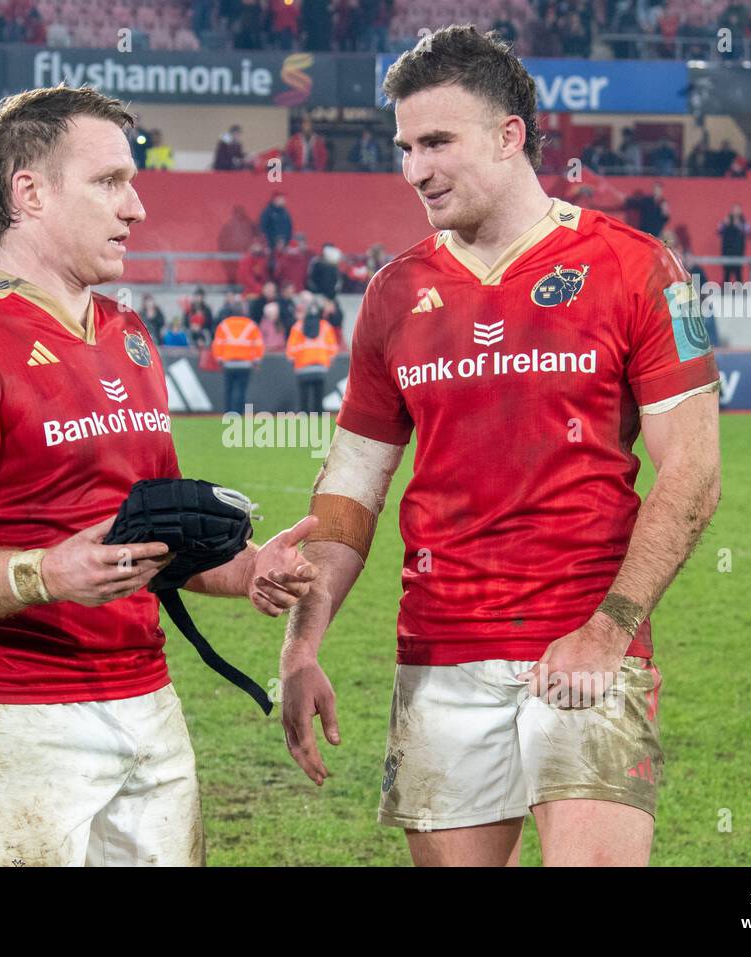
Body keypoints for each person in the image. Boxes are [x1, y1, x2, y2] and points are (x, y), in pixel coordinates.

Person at [279, 26, 721, 868]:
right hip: (439, 653)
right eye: (405, 146)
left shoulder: (636, 268)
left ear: (510, 134)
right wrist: (302, 643)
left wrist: (611, 626)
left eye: (438, 141)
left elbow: (694, 473)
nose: (416, 169)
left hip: (584, 643)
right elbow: (352, 487)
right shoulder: (394, 292)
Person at [0, 86, 317, 868]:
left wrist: (248, 567)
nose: (137, 206)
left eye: (132, 181)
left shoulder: (130, 336)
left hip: (148, 708)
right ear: (30, 192)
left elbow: (150, 548)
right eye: (110, 182)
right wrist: (45, 571)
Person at [286, 300, 339, 414]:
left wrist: (294, 361)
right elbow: (333, 347)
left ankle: (304, 415)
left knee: (303, 396)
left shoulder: (298, 326)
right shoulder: (326, 326)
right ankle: (319, 414)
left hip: (302, 367)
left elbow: (291, 349)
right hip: (320, 367)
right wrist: (329, 360)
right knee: (318, 395)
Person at [211, 310, 264, 414]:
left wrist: (219, 358)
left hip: (228, 364)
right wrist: (257, 360)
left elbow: (217, 343)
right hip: (245, 364)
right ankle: (238, 412)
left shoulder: (224, 324)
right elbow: (258, 344)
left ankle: (228, 412)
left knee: (228, 390)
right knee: (241, 390)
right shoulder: (251, 325)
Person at [717, 203, 750, 284]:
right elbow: (719, 230)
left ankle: (740, 293)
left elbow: (747, 230)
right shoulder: (726, 221)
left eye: (737, 210)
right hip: (727, 251)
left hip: (738, 252)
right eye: (734, 210)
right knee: (727, 274)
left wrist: (738, 225)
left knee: (738, 274)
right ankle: (725, 294)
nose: (735, 212)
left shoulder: (743, 222)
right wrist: (724, 224)